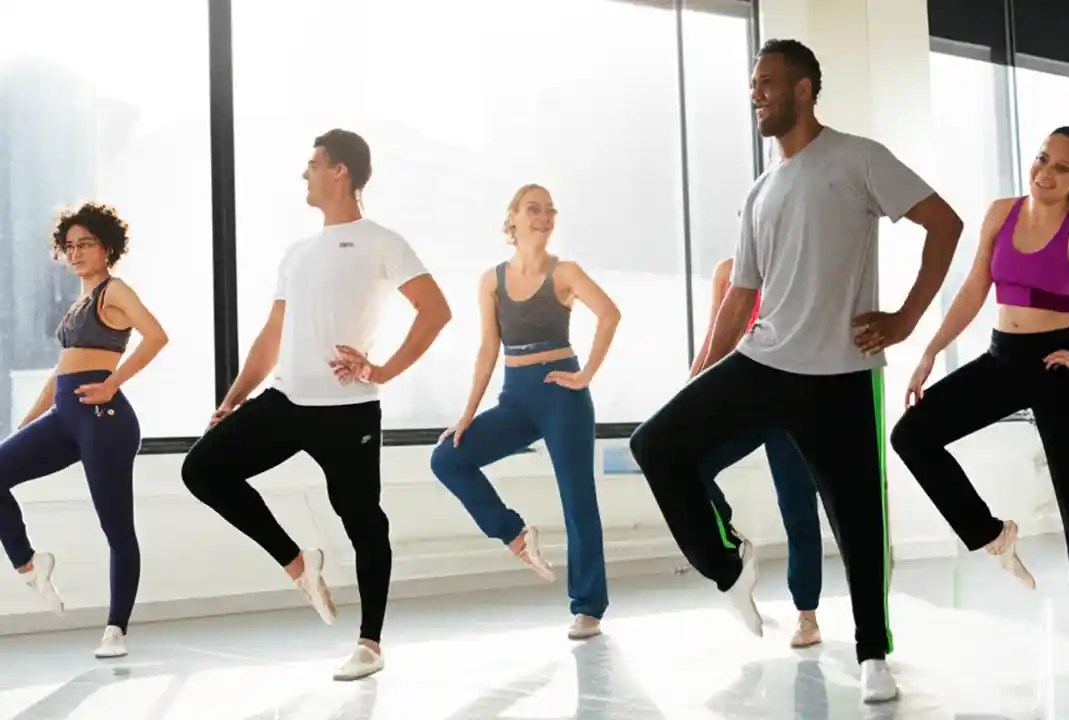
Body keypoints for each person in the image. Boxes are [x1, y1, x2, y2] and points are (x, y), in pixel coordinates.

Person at [628, 39, 963, 705]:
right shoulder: (760, 190)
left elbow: (944, 224)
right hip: (763, 360)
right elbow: (740, 296)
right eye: (754, 84)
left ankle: (874, 656)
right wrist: (700, 374)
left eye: (768, 83)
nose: (756, 94)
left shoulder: (857, 157)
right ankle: (729, 566)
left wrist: (905, 318)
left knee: (859, 521)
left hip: (841, 372)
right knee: (655, 443)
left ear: (805, 88)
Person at [181, 129, 452, 681]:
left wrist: (382, 369)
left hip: (347, 412)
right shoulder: (298, 253)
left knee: (363, 523)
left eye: (312, 164)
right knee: (202, 469)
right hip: (285, 401)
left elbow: (435, 311)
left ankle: (370, 643)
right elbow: (270, 335)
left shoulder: (382, 242)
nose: (303, 174)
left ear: (341, 172)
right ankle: (298, 563)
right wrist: (233, 400)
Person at [890, 126, 1069, 662]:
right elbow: (972, 290)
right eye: (1041, 160)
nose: (1044, 174)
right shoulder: (999, 213)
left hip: (1059, 365)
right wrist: (931, 350)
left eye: (1060, 168)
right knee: (912, 435)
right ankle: (992, 535)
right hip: (1003, 358)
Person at [431, 184, 620, 641]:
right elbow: (487, 350)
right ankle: (514, 534)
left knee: (577, 499)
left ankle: (588, 606)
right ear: (512, 218)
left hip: (562, 394)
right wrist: (467, 415)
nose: (544, 217)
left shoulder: (565, 272)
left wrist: (584, 376)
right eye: (533, 209)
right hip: (515, 396)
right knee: (447, 458)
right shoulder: (491, 281)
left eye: (550, 210)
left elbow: (609, 314)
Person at [0, 202, 169, 658]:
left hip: (104, 421)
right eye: (69, 246)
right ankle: (30, 565)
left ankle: (116, 629)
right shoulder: (78, 301)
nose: (75, 253)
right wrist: (29, 420)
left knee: (116, 527)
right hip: (64, 417)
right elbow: (62, 371)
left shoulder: (115, 291)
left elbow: (156, 335)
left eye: (85, 244)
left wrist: (113, 383)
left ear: (106, 247)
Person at [691, 256, 825, 649]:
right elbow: (717, 336)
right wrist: (689, 390)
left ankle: (807, 615)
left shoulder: (798, 265)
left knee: (797, 507)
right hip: (744, 398)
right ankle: (732, 541)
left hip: (793, 400)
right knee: (690, 463)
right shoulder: (726, 271)